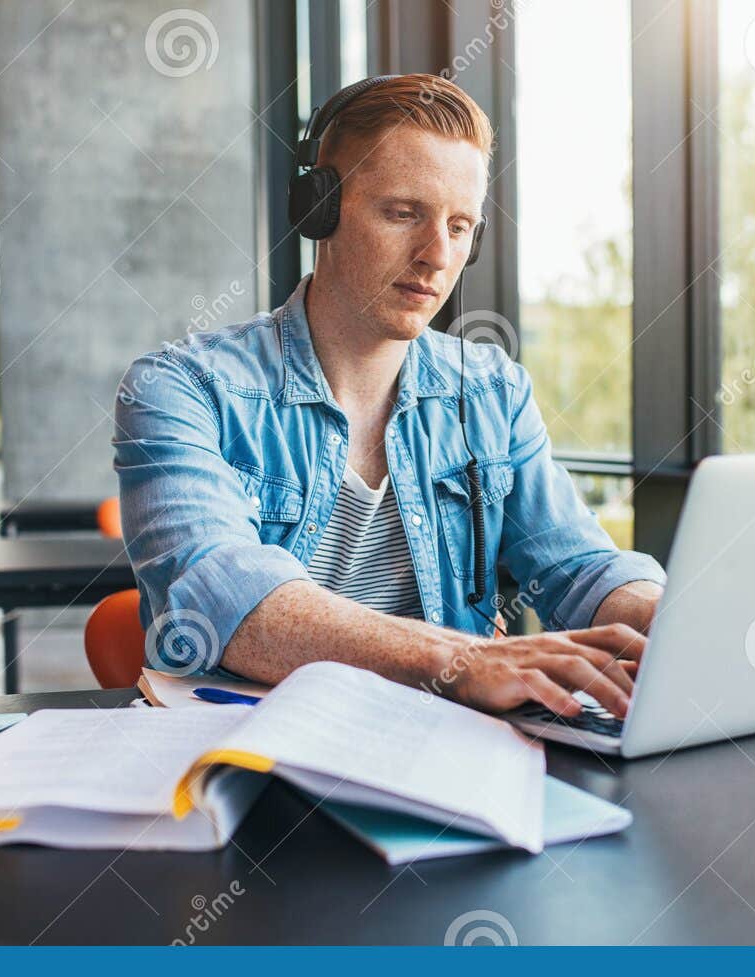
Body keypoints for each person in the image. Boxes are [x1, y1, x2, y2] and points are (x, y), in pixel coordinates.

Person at [113, 73, 665, 719]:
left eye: (460, 226)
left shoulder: (491, 391)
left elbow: (578, 566)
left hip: (443, 744)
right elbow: (220, 596)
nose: (437, 255)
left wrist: (671, 622)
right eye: (403, 213)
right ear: (319, 209)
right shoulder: (182, 387)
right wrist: (459, 661)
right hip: (246, 752)